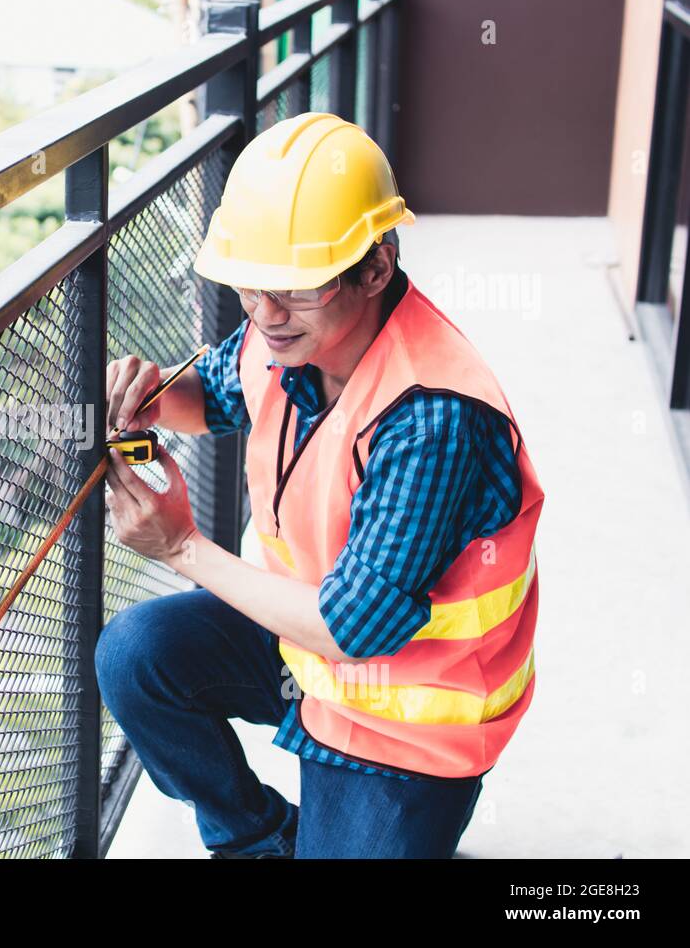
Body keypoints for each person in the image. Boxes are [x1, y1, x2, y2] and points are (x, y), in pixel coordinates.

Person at [97, 112, 543, 858]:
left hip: (410, 722)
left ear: (375, 269)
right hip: (304, 649)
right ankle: (260, 844)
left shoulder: (433, 418)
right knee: (136, 655)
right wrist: (148, 397)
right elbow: (213, 394)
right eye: (250, 287)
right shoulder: (289, 333)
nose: (265, 316)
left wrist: (180, 546)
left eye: (294, 292)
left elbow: (352, 630)